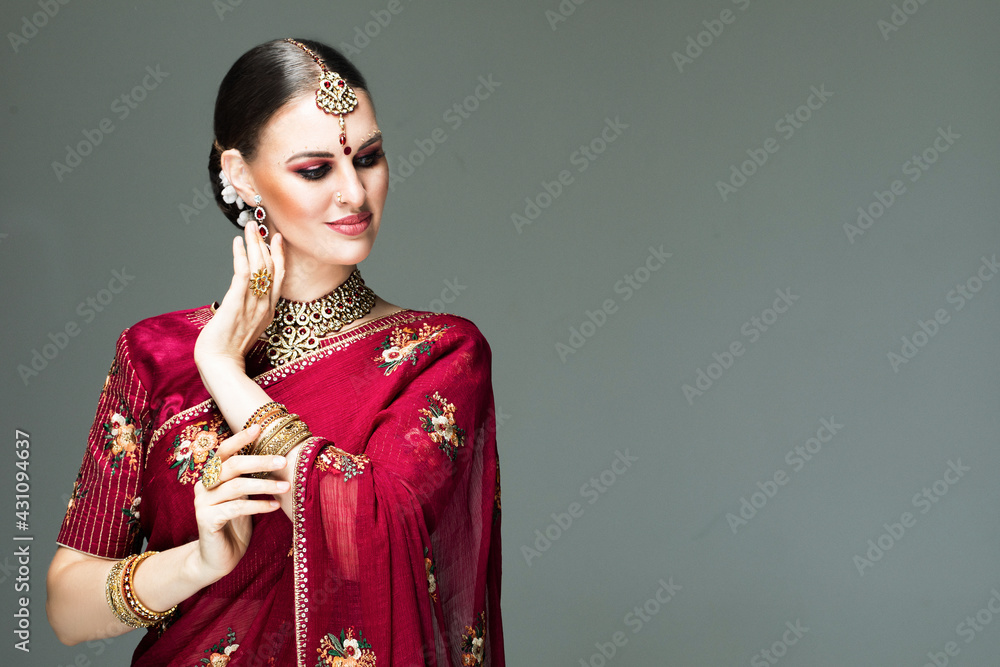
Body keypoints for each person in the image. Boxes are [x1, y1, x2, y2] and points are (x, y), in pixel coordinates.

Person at [46, 37, 504, 666]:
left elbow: (376, 537)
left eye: (367, 158)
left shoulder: (439, 355)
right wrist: (199, 562)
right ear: (240, 175)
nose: (354, 192)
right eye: (315, 169)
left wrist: (224, 371)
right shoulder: (153, 354)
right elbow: (66, 611)